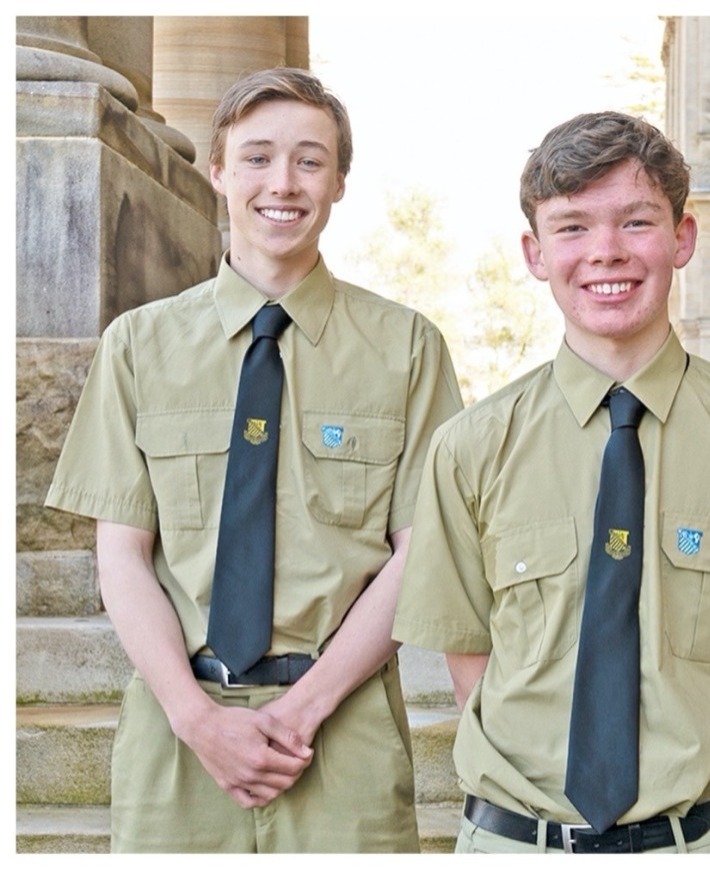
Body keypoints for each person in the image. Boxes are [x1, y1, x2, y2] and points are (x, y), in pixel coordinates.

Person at [391, 111, 710, 854]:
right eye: (573, 227)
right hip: (521, 842)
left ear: (683, 238)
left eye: (636, 222)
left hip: (705, 841)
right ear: (534, 251)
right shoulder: (470, 448)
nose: (605, 252)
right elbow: (470, 664)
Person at [45, 67, 463, 852]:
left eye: (310, 160)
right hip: (178, 736)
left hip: (345, 738)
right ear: (218, 171)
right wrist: (198, 719)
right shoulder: (137, 347)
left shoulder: (408, 348)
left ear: (340, 180)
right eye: (258, 156)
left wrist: (303, 709)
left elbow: (422, 555)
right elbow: (122, 556)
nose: (284, 182)